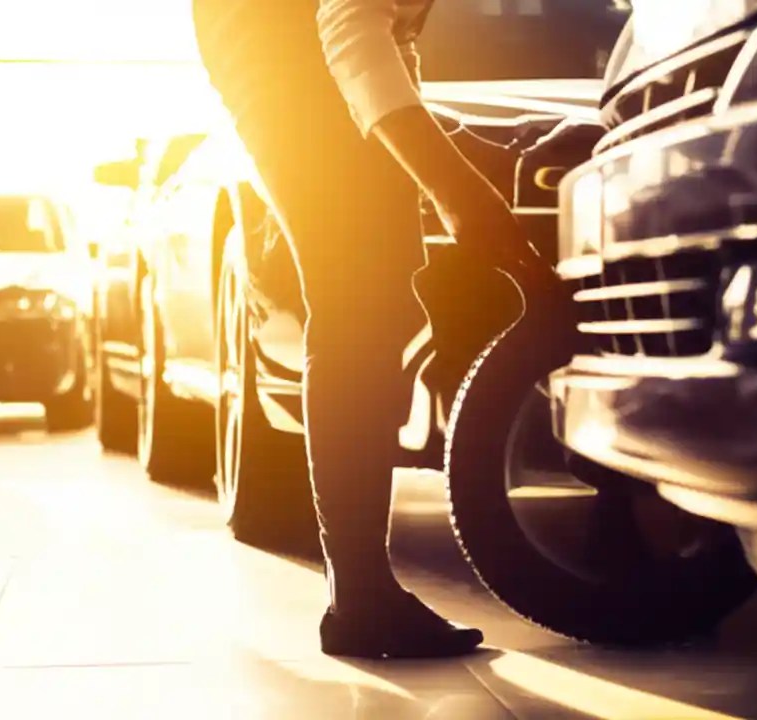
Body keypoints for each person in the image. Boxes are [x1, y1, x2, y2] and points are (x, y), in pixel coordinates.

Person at [192, 0, 549, 658]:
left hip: (275, 33)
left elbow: (381, 34)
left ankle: (360, 593)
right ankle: (360, 596)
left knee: (376, 294)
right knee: (357, 297)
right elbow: (353, 27)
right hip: (269, 31)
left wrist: (450, 152)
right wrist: (455, 189)